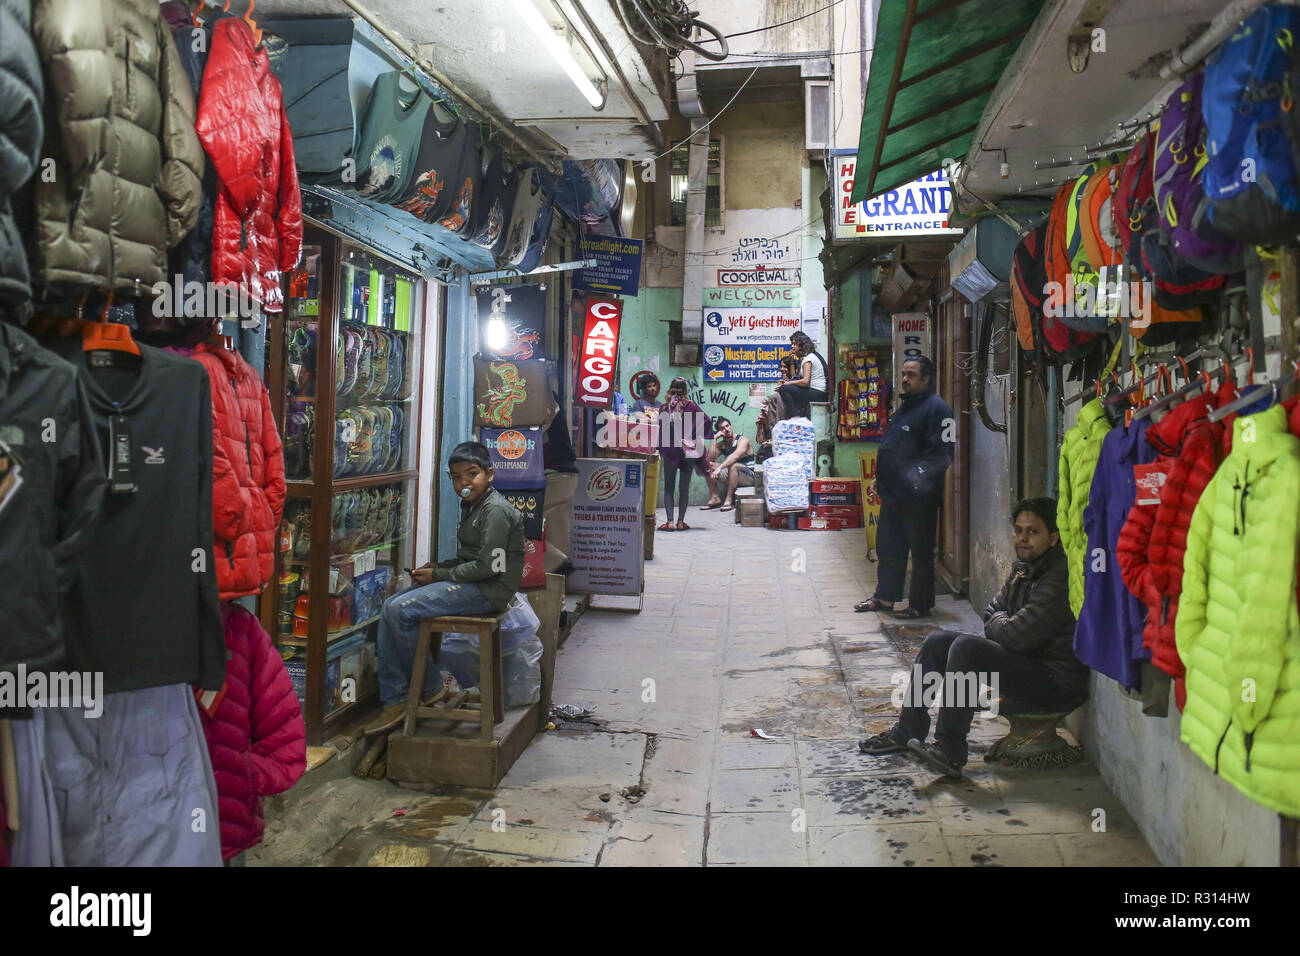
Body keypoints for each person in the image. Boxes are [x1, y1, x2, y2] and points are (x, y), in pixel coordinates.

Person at [857, 498, 1088, 778]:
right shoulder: (1023, 569)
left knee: (967, 648)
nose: (1022, 538)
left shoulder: (1057, 577)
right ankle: (908, 729)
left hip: (1055, 683)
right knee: (937, 641)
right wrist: (1002, 623)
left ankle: (950, 749)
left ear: (1053, 538)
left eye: (1033, 532)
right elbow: (992, 613)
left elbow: (1015, 636)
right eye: (1018, 530)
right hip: (1029, 665)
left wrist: (1001, 623)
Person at [367, 440, 525, 733]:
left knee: (401, 610)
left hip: (489, 591)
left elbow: (489, 567)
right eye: (456, 477)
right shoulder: (473, 505)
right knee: (390, 606)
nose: (464, 482)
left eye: (472, 474)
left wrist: (440, 575)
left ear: (489, 474)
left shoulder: (496, 512)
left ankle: (427, 688)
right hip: (475, 582)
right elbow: (471, 557)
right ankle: (395, 699)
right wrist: (439, 567)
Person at [854, 354, 954, 618]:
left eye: (911, 375)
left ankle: (920, 605)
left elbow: (943, 455)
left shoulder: (939, 409)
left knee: (920, 553)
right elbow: (894, 447)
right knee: (889, 548)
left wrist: (914, 479)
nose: (905, 379)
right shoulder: (905, 407)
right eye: (903, 374)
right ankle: (885, 598)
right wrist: (882, 477)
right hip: (893, 495)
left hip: (919, 498)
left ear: (926, 378)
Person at [657, 376, 714, 531]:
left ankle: (669, 522)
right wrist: (693, 435)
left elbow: (660, 431)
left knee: (669, 488)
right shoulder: (692, 406)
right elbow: (707, 421)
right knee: (684, 487)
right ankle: (681, 522)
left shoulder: (664, 408)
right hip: (688, 450)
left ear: (670, 388)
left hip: (670, 451)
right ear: (686, 390)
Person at [541, 392, 579, 574]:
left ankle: (559, 563)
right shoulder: (547, 397)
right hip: (564, 473)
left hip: (554, 473)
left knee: (519, 522)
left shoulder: (540, 399)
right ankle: (557, 588)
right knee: (558, 533)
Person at [702, 416, 755, 511]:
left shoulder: (742, 440)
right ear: (719, 431)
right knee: (708, 465)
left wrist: (720, 467)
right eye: (722, 428)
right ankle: (715, 498)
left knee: (734, 465)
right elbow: (710, 458)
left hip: (749, 476)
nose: (726, 429)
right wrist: (714, 438)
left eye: (727, 426)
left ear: (731, 426)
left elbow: (735, 456)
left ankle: (729, 499)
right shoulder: (722, 444)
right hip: (732, 475)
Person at [775, 331, 828, 419]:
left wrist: (788, 384)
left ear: (801, 345)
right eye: (792, 344)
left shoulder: (808, 359)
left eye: (794, 344)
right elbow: (795, 378)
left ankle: (795, 416)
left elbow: (805, 382)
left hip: (817, 392)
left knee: (784, 389)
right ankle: (796, 415)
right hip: (815, 391)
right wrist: (792, 361)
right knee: (784, 388)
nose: (792, 346)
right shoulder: (806, 358)